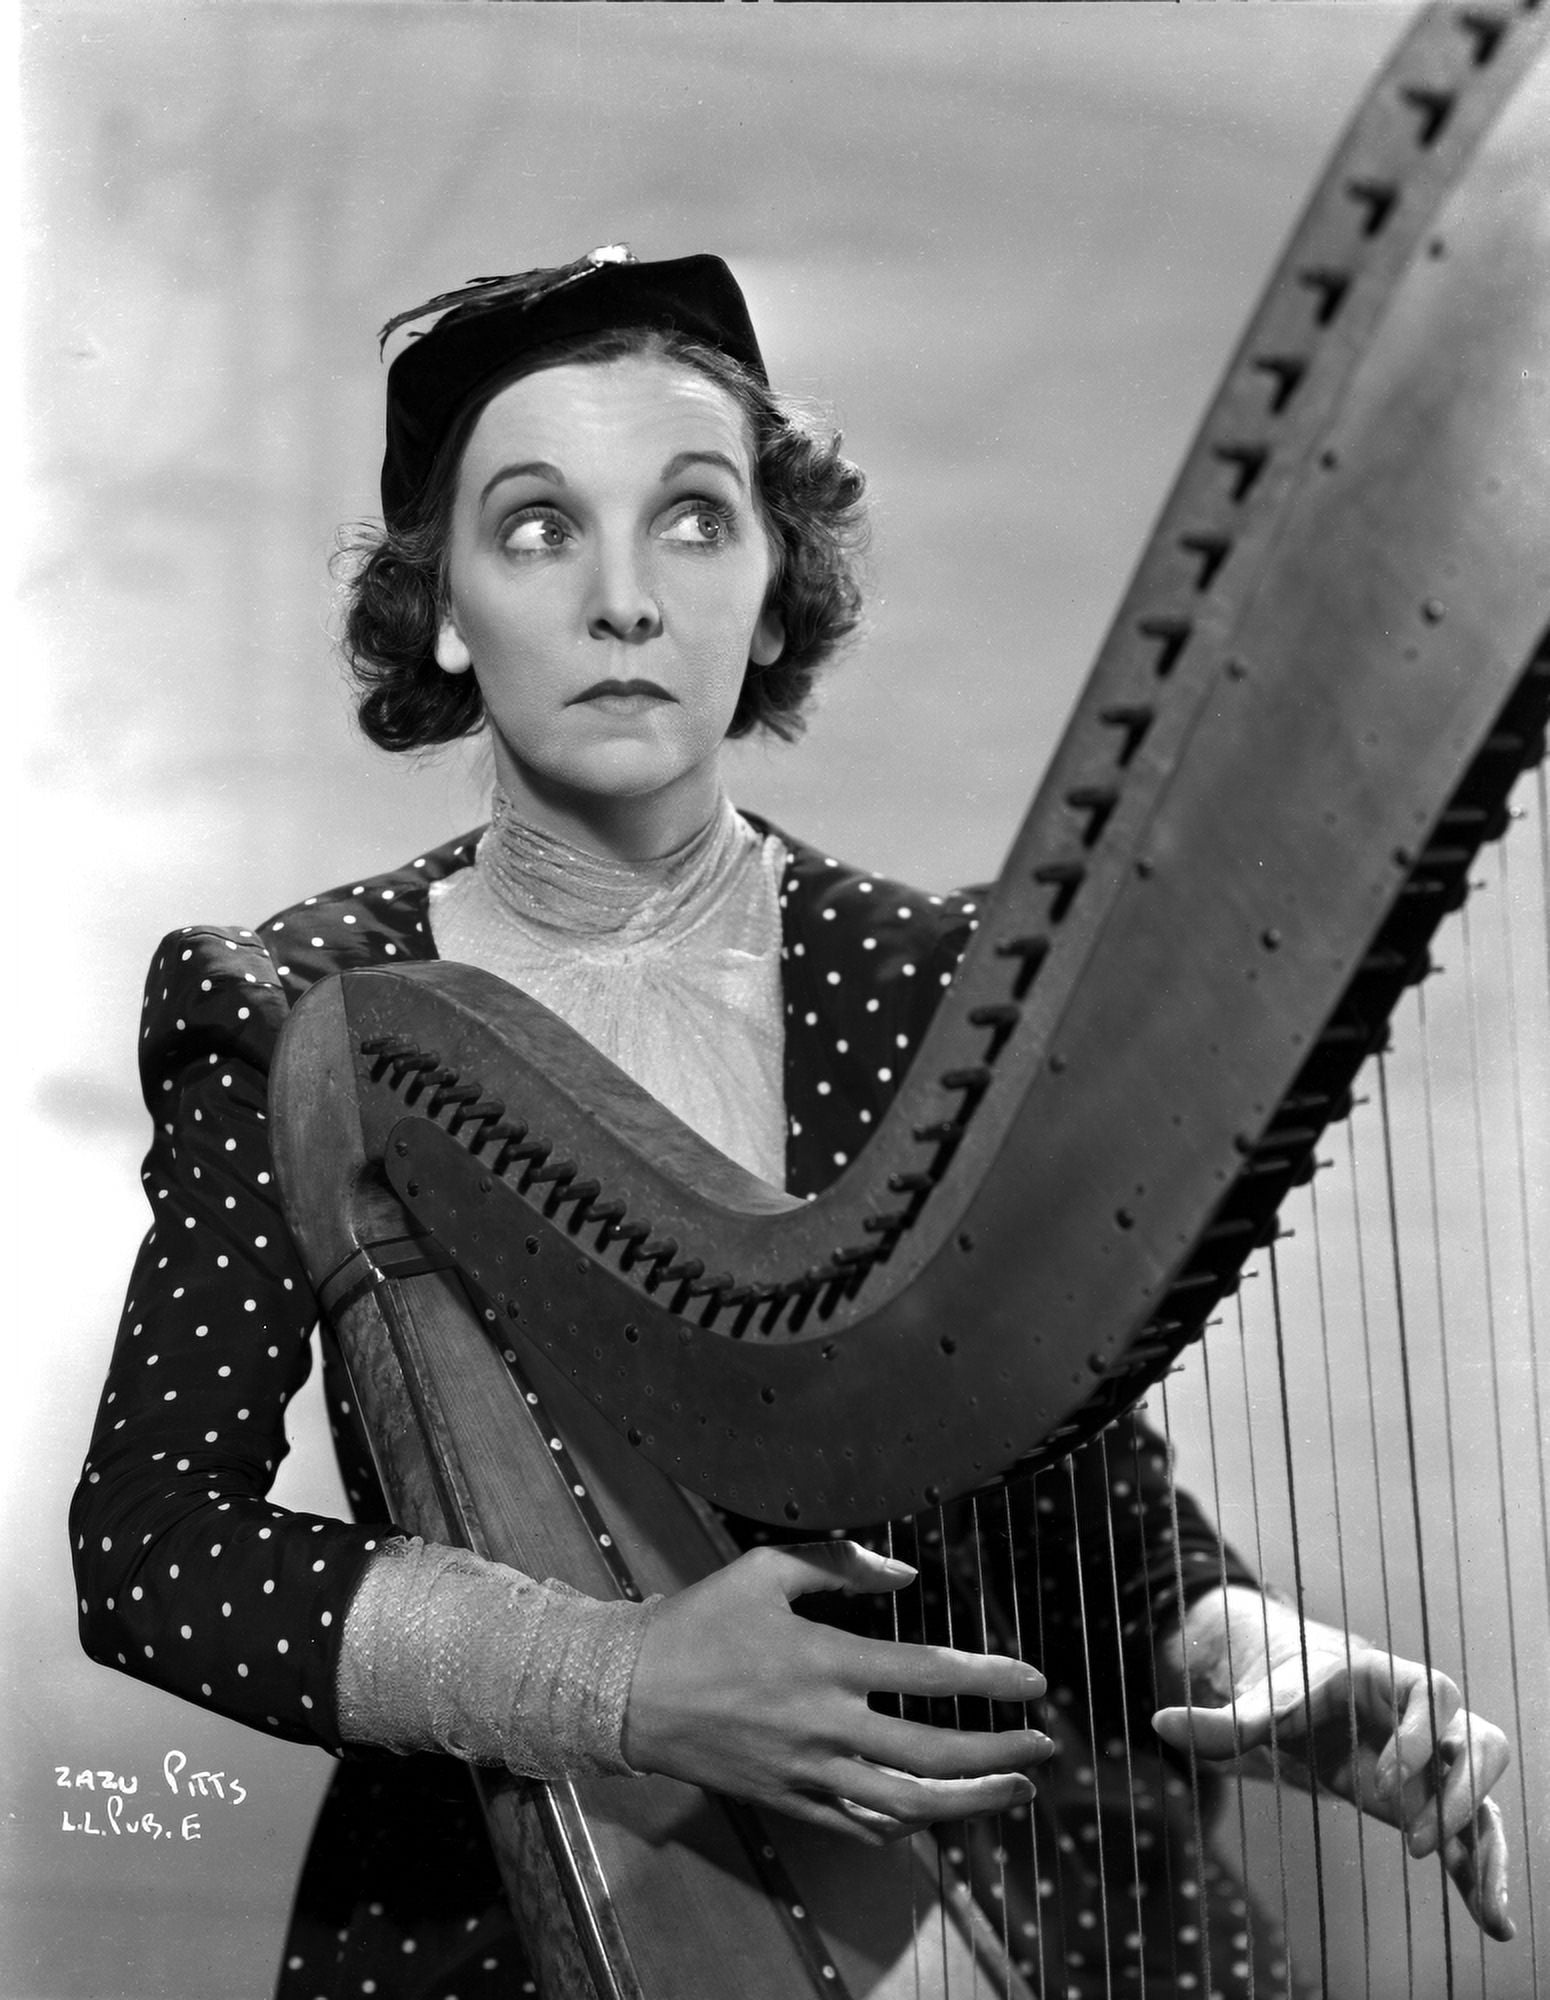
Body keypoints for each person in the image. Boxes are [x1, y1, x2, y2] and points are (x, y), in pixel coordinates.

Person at [71, 249, 1513, 2000]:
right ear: (442, 603)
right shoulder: (297, 1008)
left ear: (770, 587)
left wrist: (1264, 1661)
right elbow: (152, 1551)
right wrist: (617, 1685)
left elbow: (1074, 1517)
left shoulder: (936, 979)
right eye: (535, 528)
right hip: (514, 1908)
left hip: (1007, 1890)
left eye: (691, 520)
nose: (622, 598)